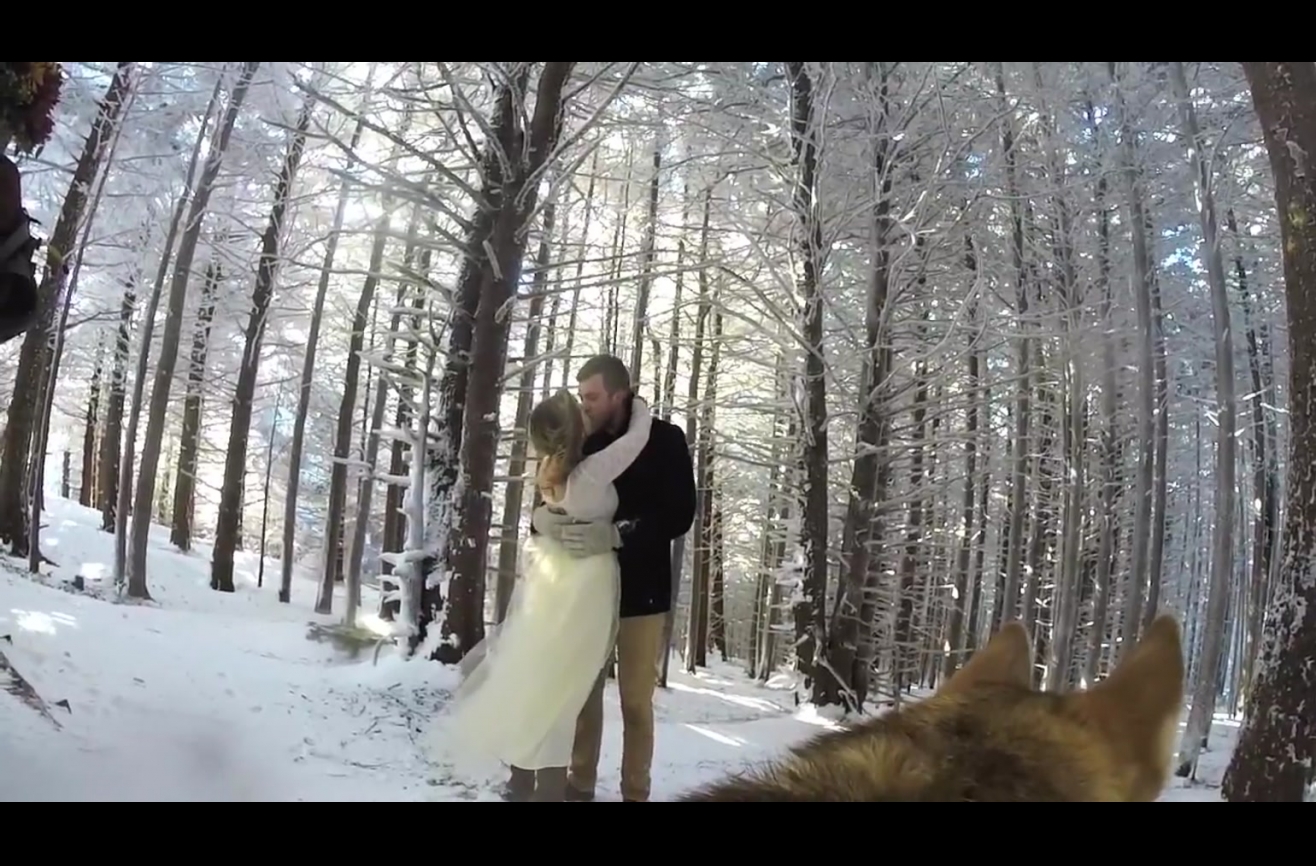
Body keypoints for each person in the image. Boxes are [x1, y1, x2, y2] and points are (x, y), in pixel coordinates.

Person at [441, 388, 654, 801]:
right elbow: (636, 440)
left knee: (540, 684)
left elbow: (546, 512)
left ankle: (522, 782)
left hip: (548, 586)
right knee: (564, 696)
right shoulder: (591, 473)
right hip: (584, 592)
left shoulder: (549, 468)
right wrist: (638, 404)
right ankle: (548, 792)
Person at [531, 354, 696, 803]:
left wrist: (619, 534)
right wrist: (540, 522)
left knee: (636, 704)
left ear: (619, 395)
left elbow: (680, 514)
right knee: (583, 696)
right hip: (584, 592)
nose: (583, 406)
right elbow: (549, 496)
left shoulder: (665, 440)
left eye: (592, 397)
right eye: (581, 396)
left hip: (643, 594)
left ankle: (635, 794)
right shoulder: (577, 439)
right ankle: (578, 786)